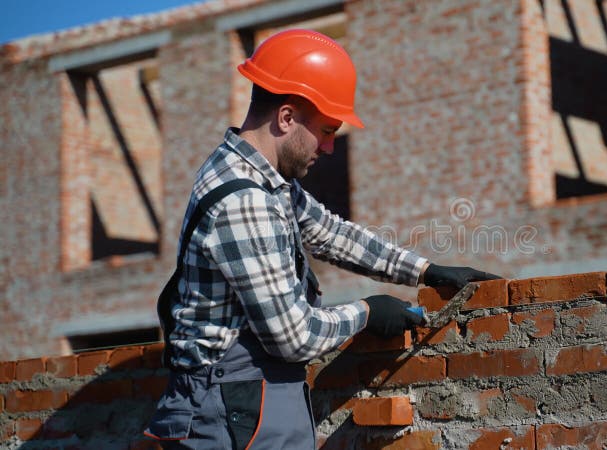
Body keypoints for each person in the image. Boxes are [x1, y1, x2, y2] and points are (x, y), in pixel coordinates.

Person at [144, 29, 498, 450]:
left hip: (249, 404)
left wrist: (424, 271)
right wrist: (366, 312)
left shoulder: (266, 180)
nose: (330, 147)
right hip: (229, 413)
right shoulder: (244, 200)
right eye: (327, 130)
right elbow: (292, 336)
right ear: (287, 118)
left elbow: (331, 233)